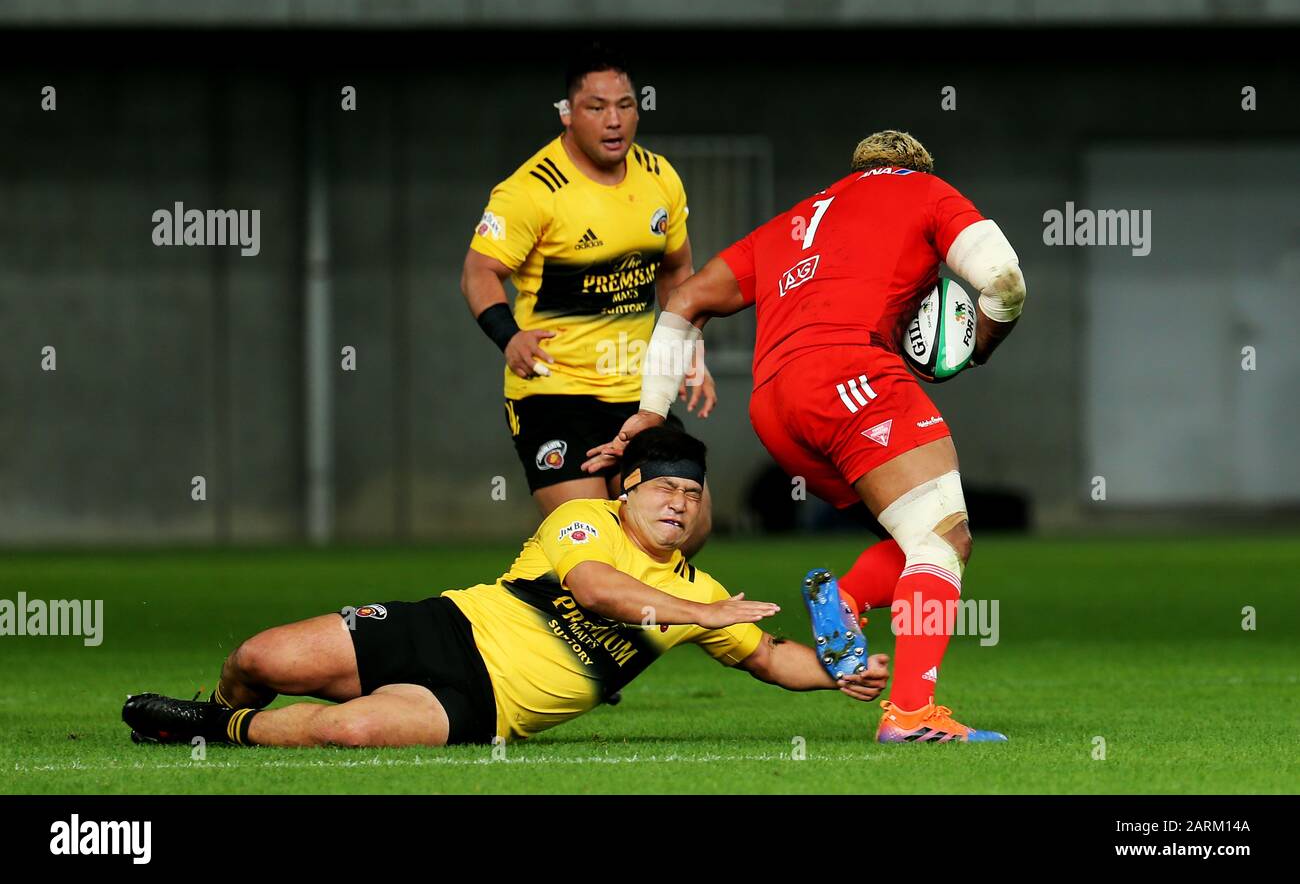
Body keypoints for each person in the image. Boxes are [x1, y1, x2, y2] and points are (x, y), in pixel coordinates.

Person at [583, 130, 1025, 742]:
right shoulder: (924, 191)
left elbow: (684, 301)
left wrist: (653, 411)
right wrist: (980, 346)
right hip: (854, 375)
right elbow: (1004, 281)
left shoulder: (793, 221)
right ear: (913, 168)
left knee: (920, 539)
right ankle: (910, 713)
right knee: (943, 539)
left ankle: (846, 600)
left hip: (776, 408)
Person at [122, 427, 889, 748]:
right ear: (625, 491)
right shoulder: (588, 522)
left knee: (347, 733)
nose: (678, 505)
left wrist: (840, 673)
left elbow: (771, 657)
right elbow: (595, 592)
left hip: (487, 705)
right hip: (447, 626)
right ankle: (217, 706)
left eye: (691, 496)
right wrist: (701, 612)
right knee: (260, 658)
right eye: (662, 490)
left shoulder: (705, 591)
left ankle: (211, 734)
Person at [459, 42, 717, 558]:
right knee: (594, 545)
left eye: (625, 105)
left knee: (688, 527)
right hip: (556, 392)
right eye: (596, 107)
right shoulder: (530, 190)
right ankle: (546, 613)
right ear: (567, 114)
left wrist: (686, 349)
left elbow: (677, 270)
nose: (613, 120)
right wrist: (509, 338)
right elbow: (478, 272)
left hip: (640, 389)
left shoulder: (659, 177)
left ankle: (615, 616)